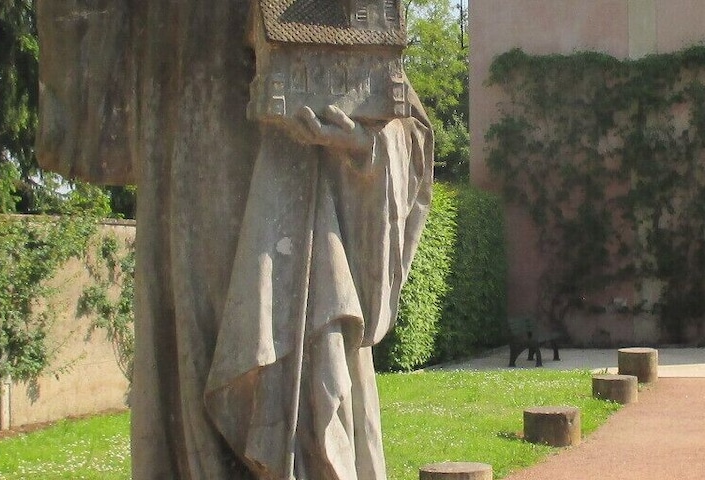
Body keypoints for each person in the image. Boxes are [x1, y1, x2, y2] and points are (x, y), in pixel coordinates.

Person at [35, 1, 433, 478]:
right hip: (190, 214)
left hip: (305, 230)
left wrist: (363, 147)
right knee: (197, 388)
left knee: (308, 409)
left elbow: (400, 118)